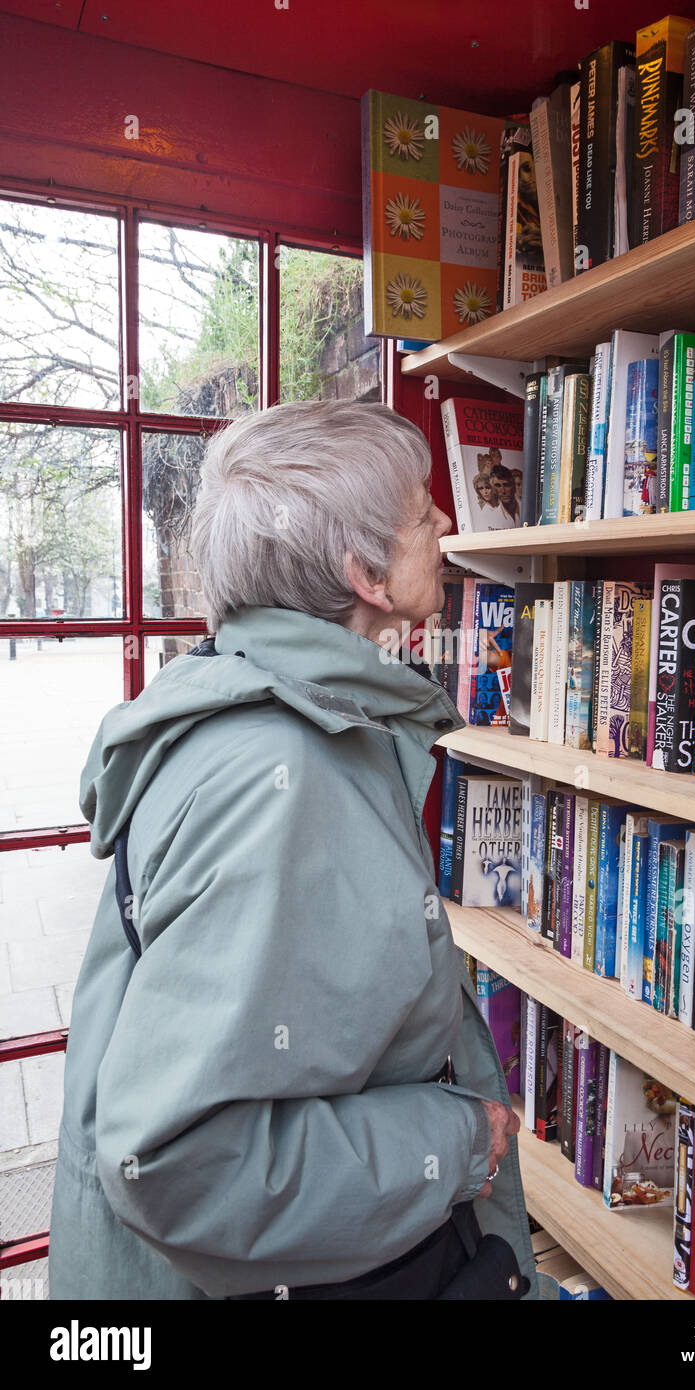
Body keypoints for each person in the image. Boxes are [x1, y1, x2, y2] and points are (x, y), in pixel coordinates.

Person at [48, 400, 536, 1301]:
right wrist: (458, 1140)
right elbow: (176, 1163)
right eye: (421, 507)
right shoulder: (278, 776)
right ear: (364, 573)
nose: (443, 522)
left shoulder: (281, 717)